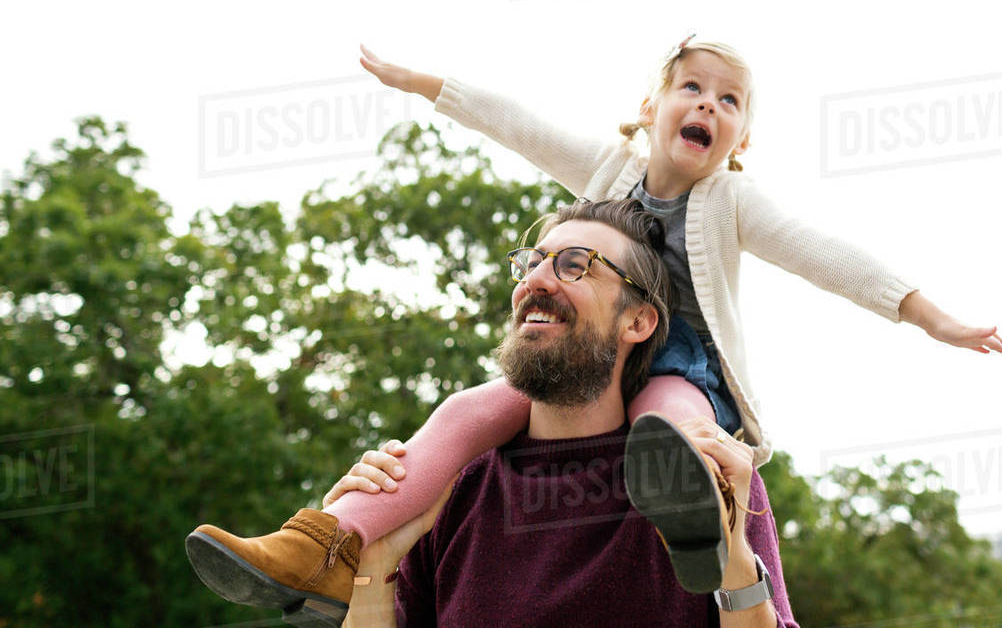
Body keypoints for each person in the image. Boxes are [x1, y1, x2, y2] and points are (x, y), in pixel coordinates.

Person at [187, 34, 1002, 607]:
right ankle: (323, 547)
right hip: (596, 346)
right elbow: (518, 124)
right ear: (651, 106)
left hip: (681, 367)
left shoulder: (730, 203)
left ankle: (690, 522)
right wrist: (427, 86)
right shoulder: (605, 168)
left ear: (740, 138)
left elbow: (828, 255)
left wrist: (930, 317)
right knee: (467, 410)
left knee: (674, 426)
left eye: (729, 101)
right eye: (693, 86)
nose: (708, 105)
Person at [190, 199, 798, 626]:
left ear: (638, 321)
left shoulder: (704, 480)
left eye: (575, 266)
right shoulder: (451, 489)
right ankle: (322, 550)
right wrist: (374, 566)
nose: (539, 279)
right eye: (532, 262)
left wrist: (734, 559)